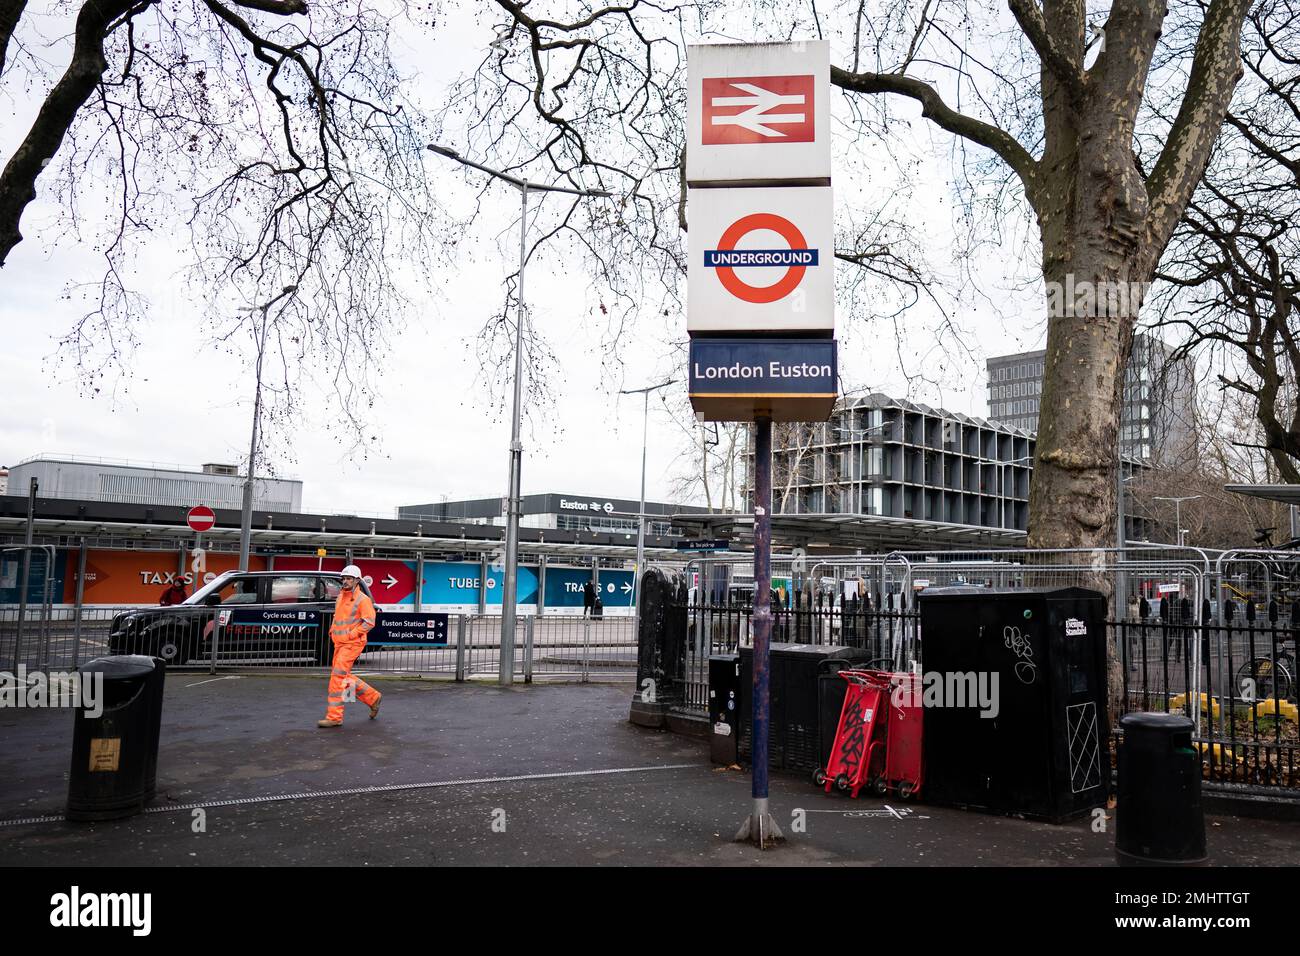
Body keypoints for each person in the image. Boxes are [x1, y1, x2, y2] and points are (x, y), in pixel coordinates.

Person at [318, 565, 382, 729]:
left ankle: (334, 717)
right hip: (340, 643)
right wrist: (333, 631)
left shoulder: (363, 599)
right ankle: (373, 697)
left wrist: (351, 635)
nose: (345, 581)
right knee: (344, 676)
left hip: (352, 643)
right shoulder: (341, 596)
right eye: (344, 578)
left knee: (337, 678)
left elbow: (369, 622)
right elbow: (338, 617)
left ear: (357, 580)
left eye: (349, 579)